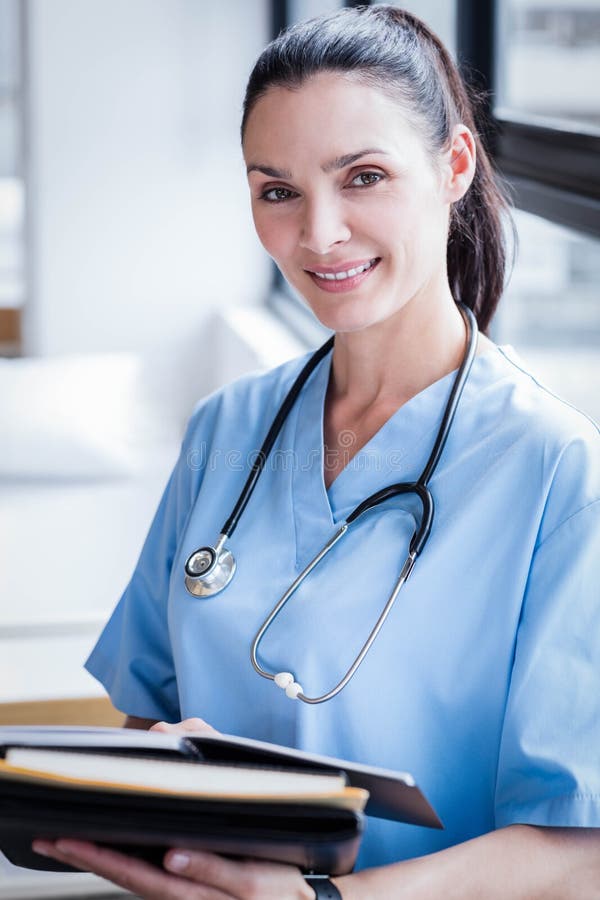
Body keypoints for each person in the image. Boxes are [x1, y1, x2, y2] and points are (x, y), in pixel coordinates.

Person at [32, 5, 600, 898]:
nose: (319, 233)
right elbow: (149, 707)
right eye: (277, 190)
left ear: (455, 166)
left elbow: (579, 850)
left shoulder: (556, 471)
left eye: (363, 176)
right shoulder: (228, 428)